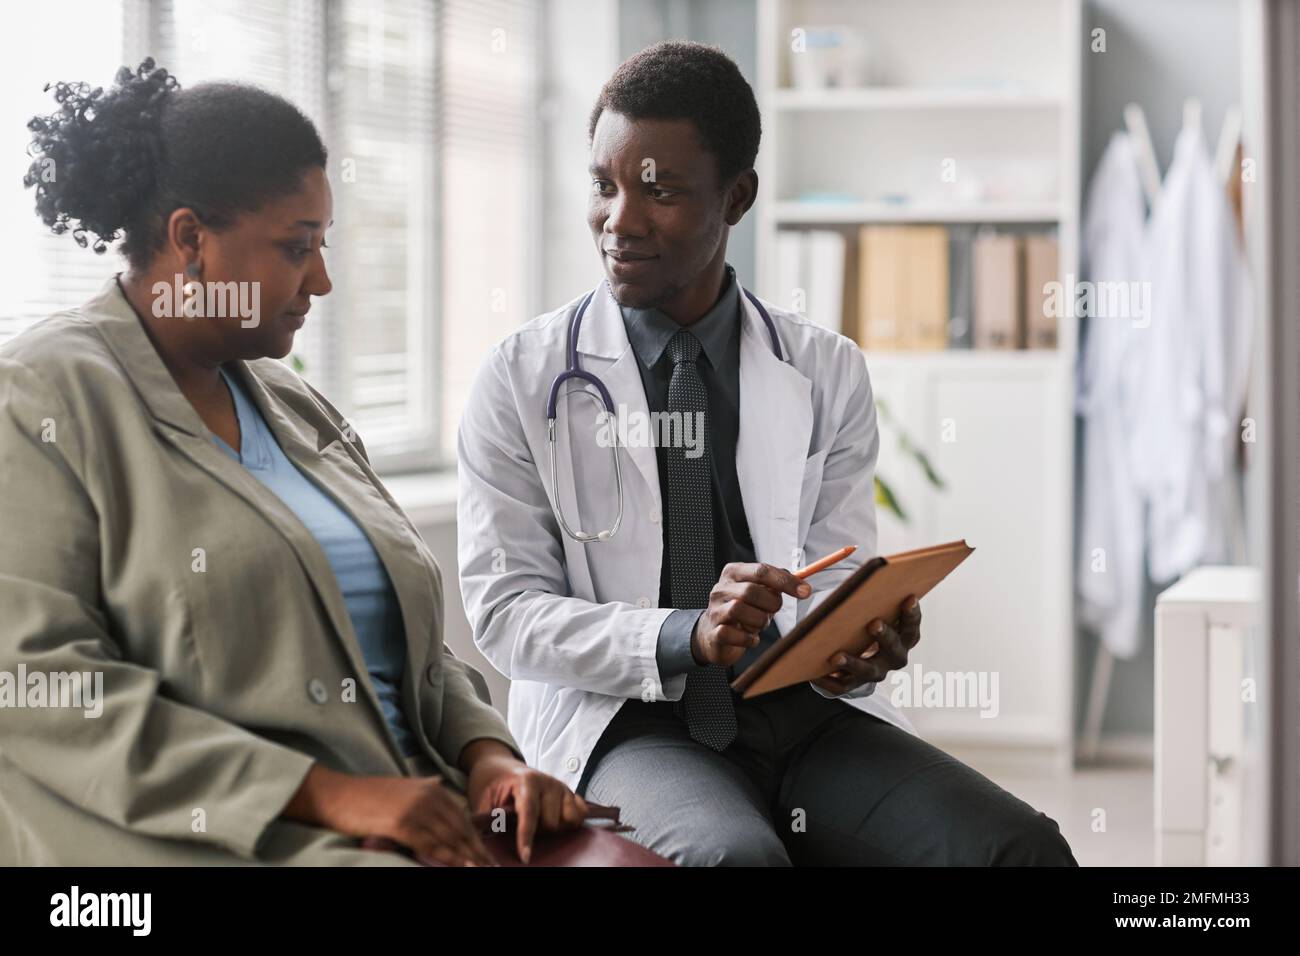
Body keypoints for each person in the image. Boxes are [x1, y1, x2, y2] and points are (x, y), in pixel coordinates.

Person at [456, 41, 1078, 866]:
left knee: (1019, 849)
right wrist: (685, 633)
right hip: (630, 720)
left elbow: (832, 575)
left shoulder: (824, 369)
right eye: (603, 186)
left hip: (797, 713)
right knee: (737, 860)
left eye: (660, 192)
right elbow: (505, 614)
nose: (620, 220)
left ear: (737, 197)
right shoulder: (520, 378)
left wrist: (859, 646)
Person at [0, 59, 587, 866]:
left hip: (419, 814)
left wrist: (490, 759)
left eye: (323, 244)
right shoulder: (39, 400)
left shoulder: (293, 403)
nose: (322, 279)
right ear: (189, 240)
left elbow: (413, 649)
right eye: (295, 246)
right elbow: (40, 690)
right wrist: (330, 793)